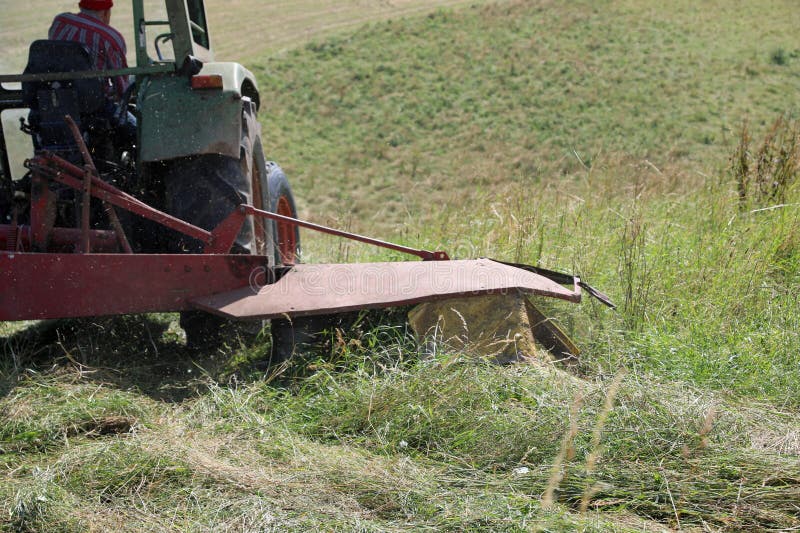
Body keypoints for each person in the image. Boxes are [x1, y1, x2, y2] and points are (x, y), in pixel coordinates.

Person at [48, 0, 136, 146]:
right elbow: (122, 89)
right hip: (94, 110)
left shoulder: (60, 21)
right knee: (141, 134)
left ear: (81, 6)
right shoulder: (110, 37)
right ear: (107, 12)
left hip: (53, 103)